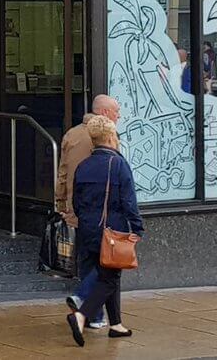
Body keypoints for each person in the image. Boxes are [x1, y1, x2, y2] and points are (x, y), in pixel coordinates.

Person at [67, 116, 145, 347]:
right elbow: (128, 201)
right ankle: (81, 315)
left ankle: (116, 324)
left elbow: (77, 201)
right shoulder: (118, 164)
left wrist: (85, 220)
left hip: (87, 229)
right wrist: (137, 227)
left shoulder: (84, 165)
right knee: (110, 278)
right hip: (111, 230)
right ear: (111, 137)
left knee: (108, 275)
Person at [56, 95, 121, 331]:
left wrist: (61, 204)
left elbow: (63, 174)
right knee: (106, 266)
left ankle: (94, 315)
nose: (119, 116)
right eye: (116, 111)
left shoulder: (71, 135)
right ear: (104, 113)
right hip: (104, 214)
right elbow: (116, 178)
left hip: (78, 210)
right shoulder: (107, 138)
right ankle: (88, 305)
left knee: (87, 263)